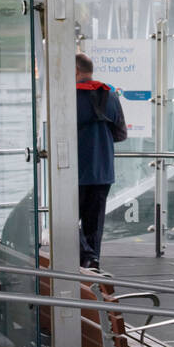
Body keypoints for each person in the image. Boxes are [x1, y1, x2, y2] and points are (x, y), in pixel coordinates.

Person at [76, 52, 127, 271]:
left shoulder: (70, 97)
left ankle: (85, 256)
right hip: (103, 170)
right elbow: (121, 133)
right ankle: (92, 262)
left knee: (65, 220)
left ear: (75, 71)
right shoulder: (110, 95)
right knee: (94, 224)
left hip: (74, 170)